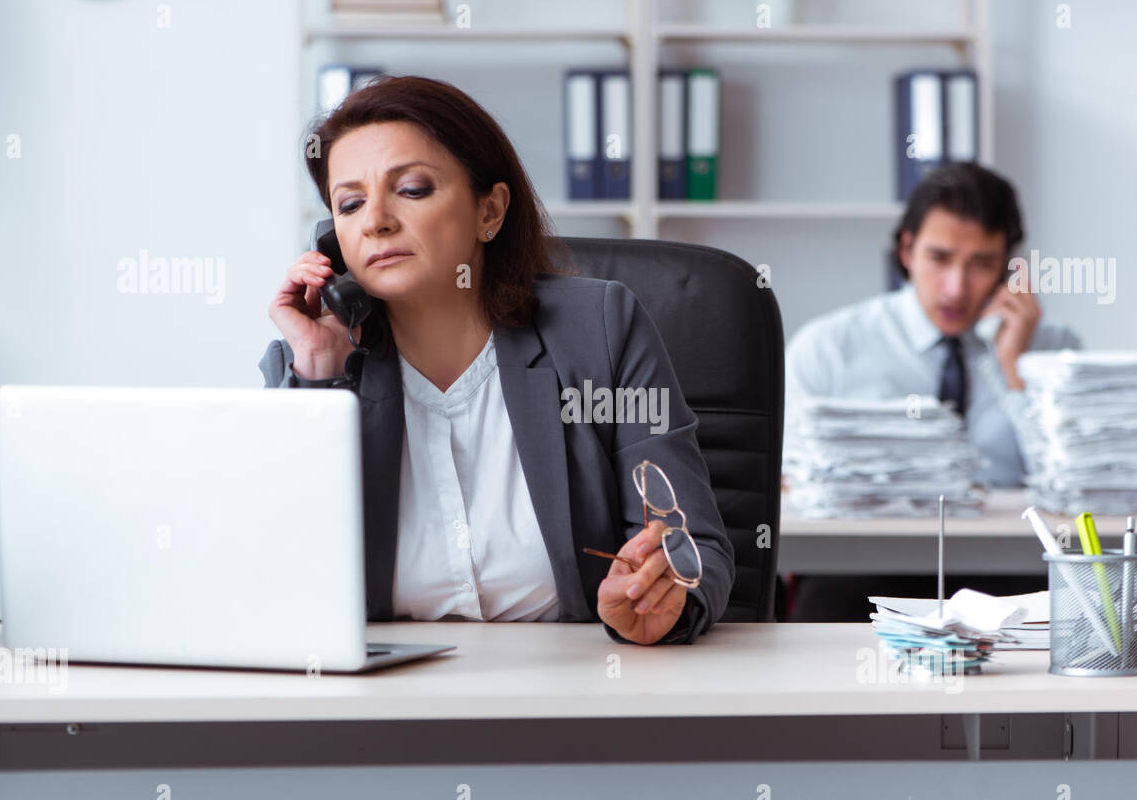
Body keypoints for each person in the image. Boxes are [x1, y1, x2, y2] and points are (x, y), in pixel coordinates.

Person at [259, 75, 734, 645]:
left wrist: (661, 602)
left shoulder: (600, 331)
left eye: (411, 189)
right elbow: (280, 580)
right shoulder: (307, 365)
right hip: (382, 704)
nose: (375, 221)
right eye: (350, 203)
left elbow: (693, 547)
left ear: (490, 210)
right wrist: (320, 375)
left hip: (577, 692)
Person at [783, 162, 1081, 621]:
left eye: (981, 264)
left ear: (1008, 266)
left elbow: (1077, 489)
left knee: (1074, 614)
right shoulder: (827, 348)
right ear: (906, 250)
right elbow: (788, 485)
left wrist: (1015, 372)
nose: (956, 288)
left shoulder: (1052, 351)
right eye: (939, 258)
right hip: (862, 569)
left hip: (1012, 572)